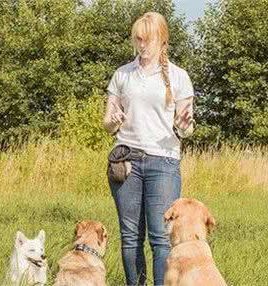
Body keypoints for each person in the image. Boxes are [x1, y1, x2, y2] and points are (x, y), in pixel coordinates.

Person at [102, 11, 195, 286]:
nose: (142, 45)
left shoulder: (179, 77)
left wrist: (183, 123)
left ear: (162, 40)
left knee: (160, 237)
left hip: (163, 162)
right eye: (138, 39)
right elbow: (108, 124)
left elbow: (187, 130)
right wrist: (112, 120)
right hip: (126, 160)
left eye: (148, 40)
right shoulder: (122, 75)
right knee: (130, 236)